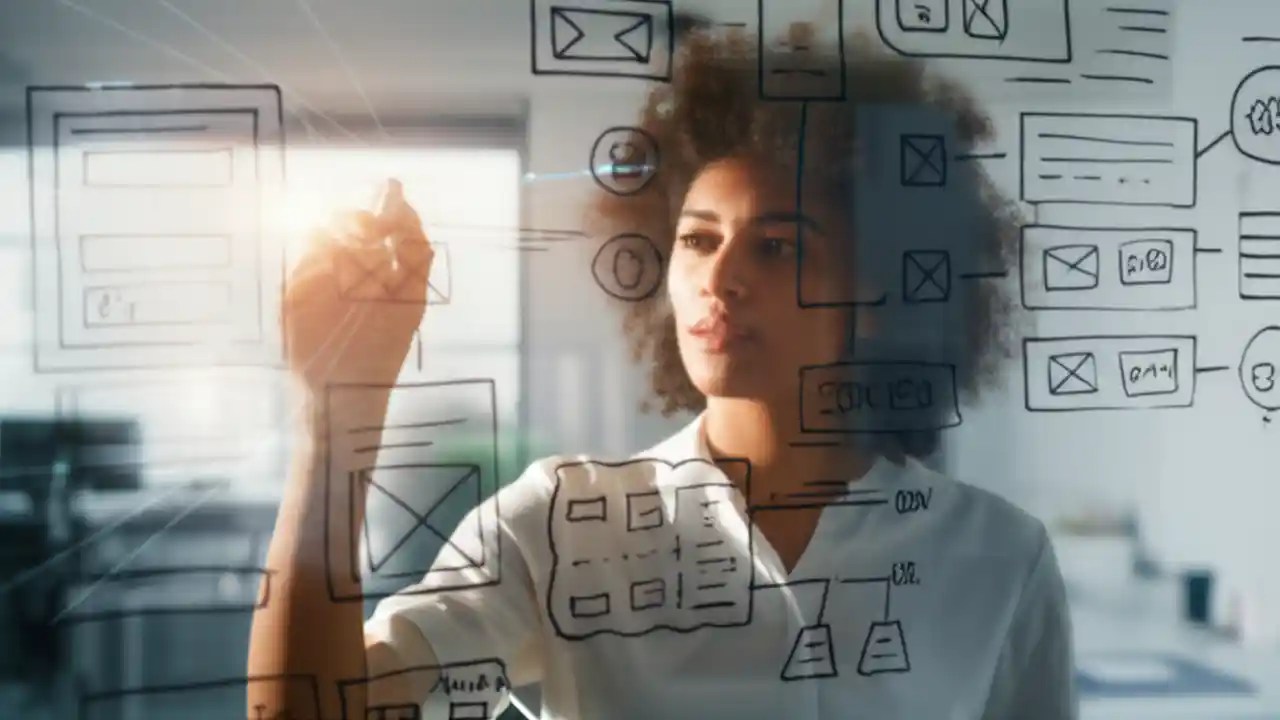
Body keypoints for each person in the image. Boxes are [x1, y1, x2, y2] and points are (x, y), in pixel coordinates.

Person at [247, 26, 1077, 720]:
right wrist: (335, 414)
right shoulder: (561, 524)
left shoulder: (999, 557)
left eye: (777, 246)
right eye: (697, 239)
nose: (720, 278)